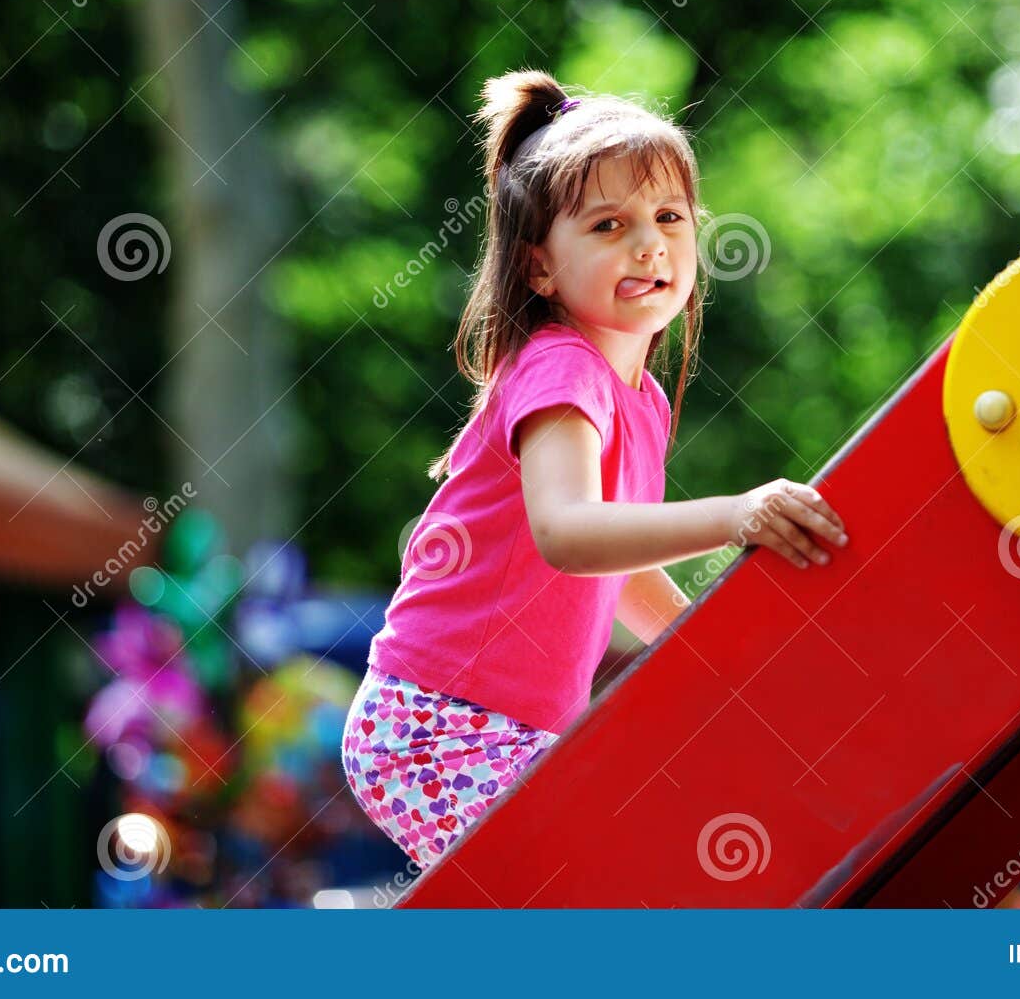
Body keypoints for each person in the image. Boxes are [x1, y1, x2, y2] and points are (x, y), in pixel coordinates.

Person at [342, 69, 848, 871]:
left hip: (503, 726)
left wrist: (698, 647)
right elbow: (569, 533)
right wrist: (735, 513)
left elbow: (617, 569)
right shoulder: (562, 370)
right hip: (439, 723)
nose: (648, 242)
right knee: (605, 882)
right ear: (540, 267)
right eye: (609, 225)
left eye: (668, 216)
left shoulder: (638, 395)